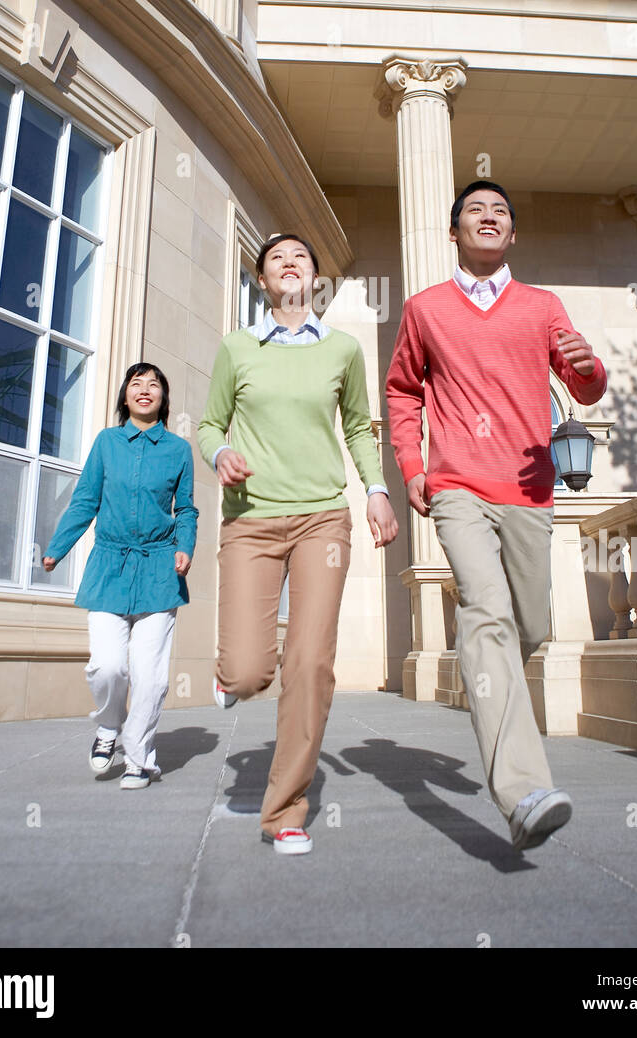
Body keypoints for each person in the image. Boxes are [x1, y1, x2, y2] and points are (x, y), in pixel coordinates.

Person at [385, 181, 607, 850]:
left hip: (529, 491)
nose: (488, 217)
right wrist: (413, 468)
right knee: (484, 609)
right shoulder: (424, 309)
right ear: (454, 233)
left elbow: (586, 386)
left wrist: (587, 365)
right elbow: (401, 392)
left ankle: (482, 684)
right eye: (474, 211)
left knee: (528, 626)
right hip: (457, 486)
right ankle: (523, 790)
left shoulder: (542, 307)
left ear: (511, 236)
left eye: (500, 212)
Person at [198, 234, 398, 854]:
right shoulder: (239, 347)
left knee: (310, 663)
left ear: (316, 278)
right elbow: (208, 423)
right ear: (262, 281)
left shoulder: (341, 350)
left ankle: (285, 810)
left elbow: (361, 425)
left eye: (301, 258)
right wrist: (222, 452)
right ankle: (235, 675)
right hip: (250, 521)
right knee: (251, 669)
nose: (289, 264)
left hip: (322, 520)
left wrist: (375, 489)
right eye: (276, 258)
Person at [42, 363, 197, 789]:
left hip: (159, 569)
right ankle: (108, 728)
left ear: (163, 399)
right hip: (109, 567)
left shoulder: (178, 451)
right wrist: (57, 547)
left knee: (151, 676)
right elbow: (85, 500)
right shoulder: (107, 443)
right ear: (125, 396)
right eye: (136, 384)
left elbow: (185, 509)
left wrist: (185, 546)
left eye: (154, 385)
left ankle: (138, 758)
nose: (145, 390)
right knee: (107, 666)